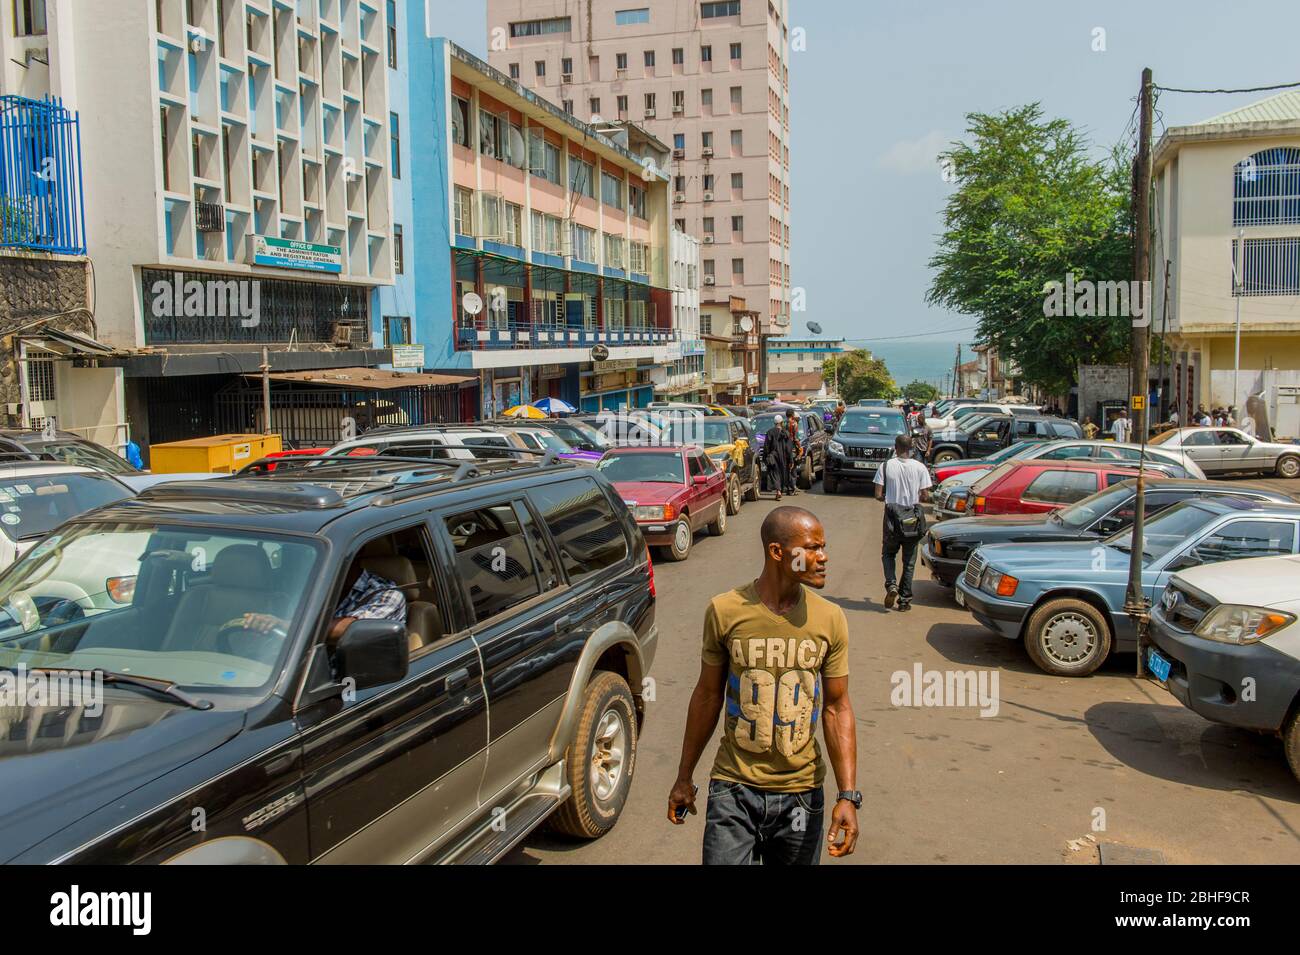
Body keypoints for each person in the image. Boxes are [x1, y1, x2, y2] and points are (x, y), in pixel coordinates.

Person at [667, 506, 859, 865]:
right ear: (777, 552)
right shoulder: (725, 611)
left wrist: (848, 795)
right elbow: (708, 695)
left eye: (823, 546)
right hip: (733, 790)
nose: (823, 557)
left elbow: (837, 707)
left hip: (801, 795)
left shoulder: (830, 619)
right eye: (813, 548)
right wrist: (683, 778)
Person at [243, 561, 406, 641]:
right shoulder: (300, 585)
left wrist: (283, 624)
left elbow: (350, 628)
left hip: (350, 683)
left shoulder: (387, 594)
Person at [874, 434, 931, 612]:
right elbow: (925, 496)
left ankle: (891, 584)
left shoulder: (885, 466)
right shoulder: (920, 467)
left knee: (888, 554)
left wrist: (889, 498)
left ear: (895, 447)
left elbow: (878, 494)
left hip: (892, 517)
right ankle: (905, 600)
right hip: (912, 519)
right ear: (911, 448)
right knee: (909, 561)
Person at [763, 414, 796, 500]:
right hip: (784, 457)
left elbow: (766, 446)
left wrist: (765, 457)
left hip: (773, 456)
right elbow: (789, 448)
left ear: (774, 423)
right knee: (782, 473)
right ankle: (779, 490)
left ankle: (778, 490)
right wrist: (791, 460)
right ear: (781, 422)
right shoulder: (786, 433)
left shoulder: (770, 432)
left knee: (774, 473)